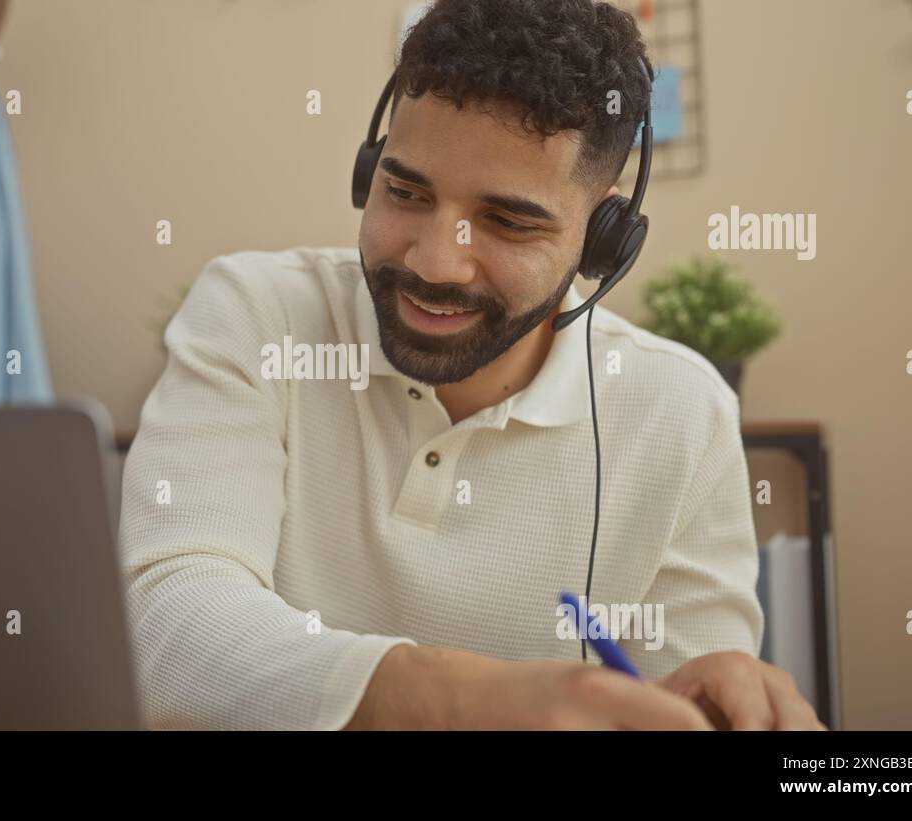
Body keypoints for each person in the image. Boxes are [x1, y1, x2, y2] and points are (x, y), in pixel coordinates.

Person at [119, 0, 825, 730]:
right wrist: (461, 698)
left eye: (508, 221)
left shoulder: (682, 411)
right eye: (406, 191)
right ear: (370, 171)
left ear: (601, 237)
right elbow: (166, 618)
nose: (434, 261)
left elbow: (678, 709)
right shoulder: (255, 314)